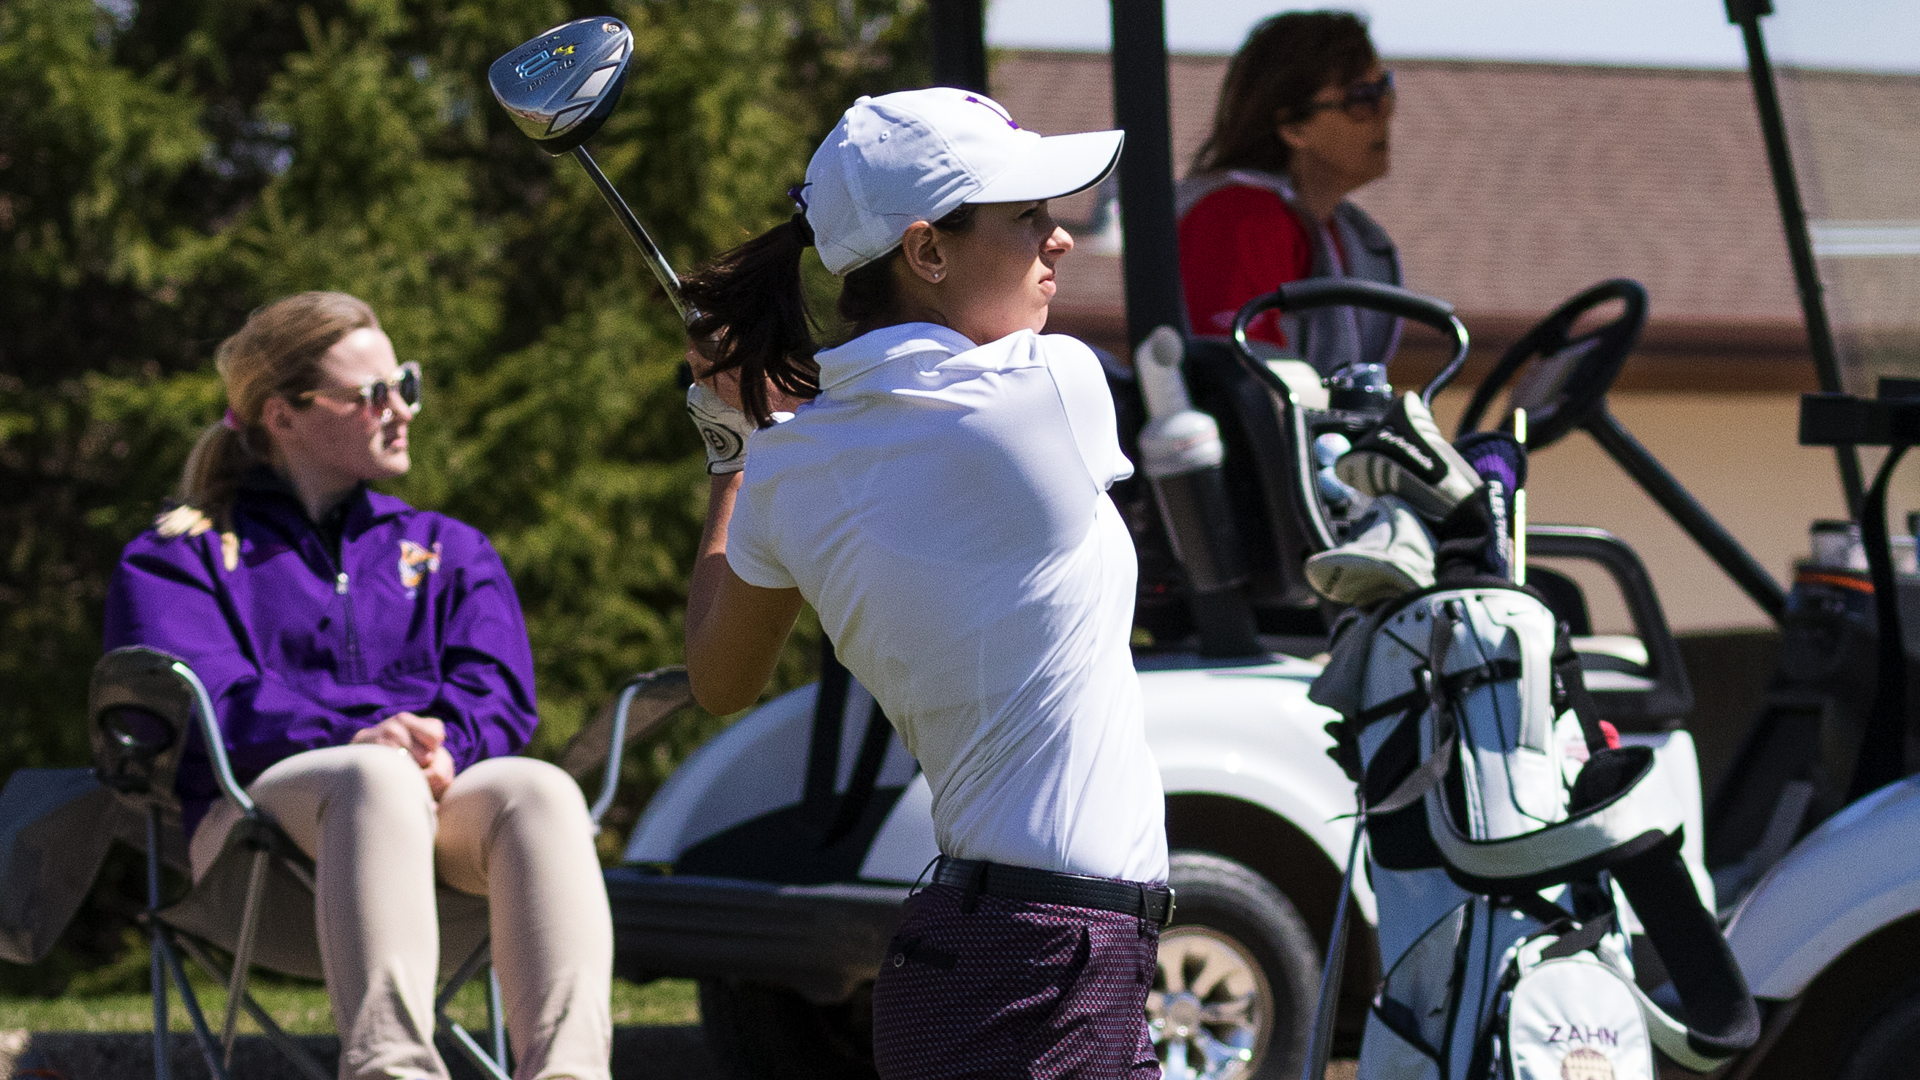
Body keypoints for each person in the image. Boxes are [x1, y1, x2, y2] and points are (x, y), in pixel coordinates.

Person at [678, 89, 1171, 1079]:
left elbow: (720, 679)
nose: (1060, 239)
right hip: (1047, 956)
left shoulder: (786, 468)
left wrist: (738, 448)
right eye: (1026, 216)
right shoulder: (1053, 389)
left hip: (993, 951)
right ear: (926, 253)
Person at [103, 292, 612, 1080]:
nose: (401, 408)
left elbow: (497, 690)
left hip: (439, 834)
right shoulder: (181, 554)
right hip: (257, 853)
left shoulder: (448, 549)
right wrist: (356, 735)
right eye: (372, 393)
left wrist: (448, 742)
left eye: (404, 382)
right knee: (372, 775)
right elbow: (207, 700)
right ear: (284, 416)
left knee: (540, 790)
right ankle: (393, 1072)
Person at [1178, 10, 1401, 373]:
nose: (1384, 114)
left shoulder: (1349, 231)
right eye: (1361, 98)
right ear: (1293, 127)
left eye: (1385, 90)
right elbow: (1245, 380)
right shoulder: (1239, 217)